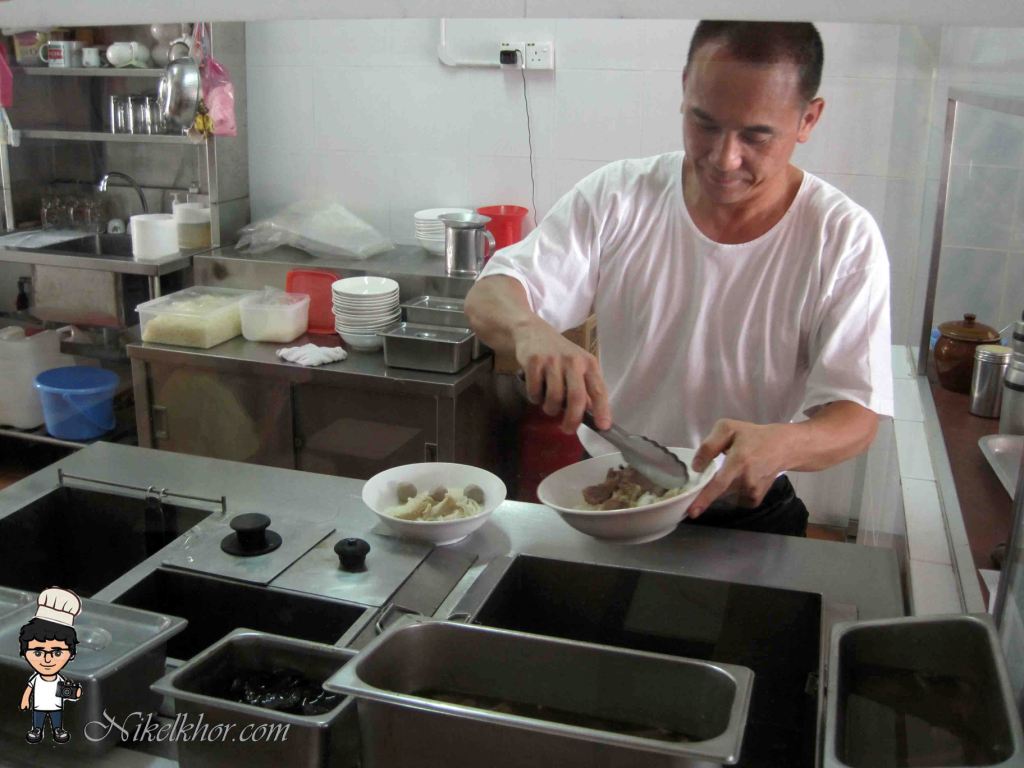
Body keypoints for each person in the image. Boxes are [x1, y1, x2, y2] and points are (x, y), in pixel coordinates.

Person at [465, 21, 894, 537]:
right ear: (685, 87)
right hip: (613, 491)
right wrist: (531, 331)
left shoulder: (842, 236)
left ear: (808, 118)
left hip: (745, 507)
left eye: (756, 135)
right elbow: (491, 293)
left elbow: (856, 415)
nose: (723, 157)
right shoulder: (620, 196)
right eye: (705, 124)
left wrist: (785, 442)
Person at [18, 588, 83, 745]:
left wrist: (76, 692)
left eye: (57, 652)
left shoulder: (60, 677)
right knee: (38, 718)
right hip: (39, 705)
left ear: (71, 654)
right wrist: (25, 699)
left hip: (55, 706)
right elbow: (28, 688)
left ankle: (58, 730)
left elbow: (68, 692)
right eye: (38, 653)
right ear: (25, 653)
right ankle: (36, 730)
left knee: (56, 718)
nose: (47, 659)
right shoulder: (35, 677)